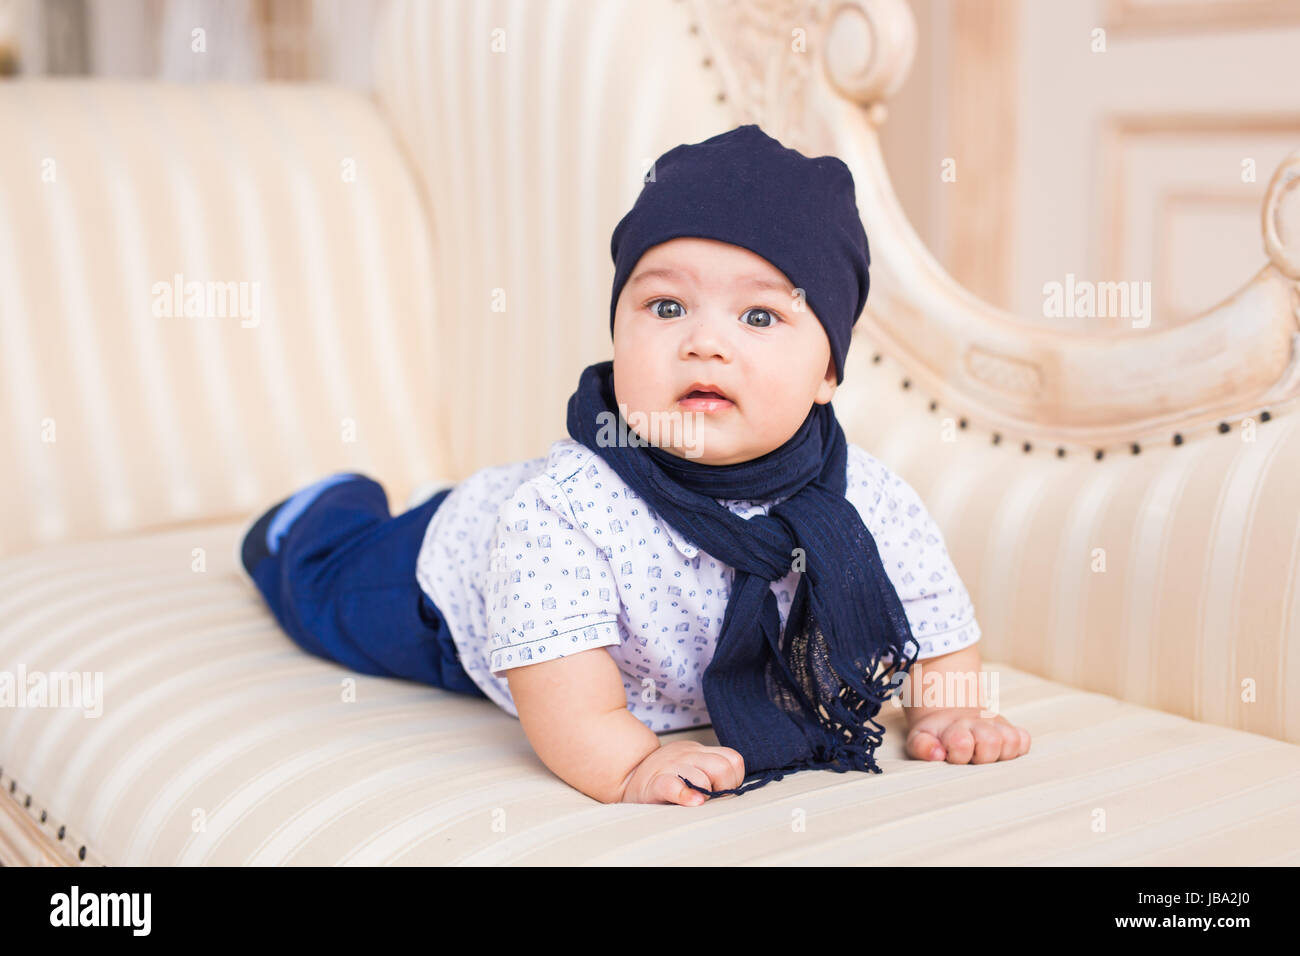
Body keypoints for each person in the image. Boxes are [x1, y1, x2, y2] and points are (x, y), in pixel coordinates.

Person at [238, 124, 1030, 808]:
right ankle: (320, 509)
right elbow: (561, 692)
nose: (705, 342)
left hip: (515, 537)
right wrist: (633, 764)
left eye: (759, 316)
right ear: (617, 326)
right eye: (666, 307)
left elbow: (932, 620)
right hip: (448, 591)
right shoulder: (572, 509)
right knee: (323, 593)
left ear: (829, 373)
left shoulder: (865, 504)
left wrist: (943, 713)